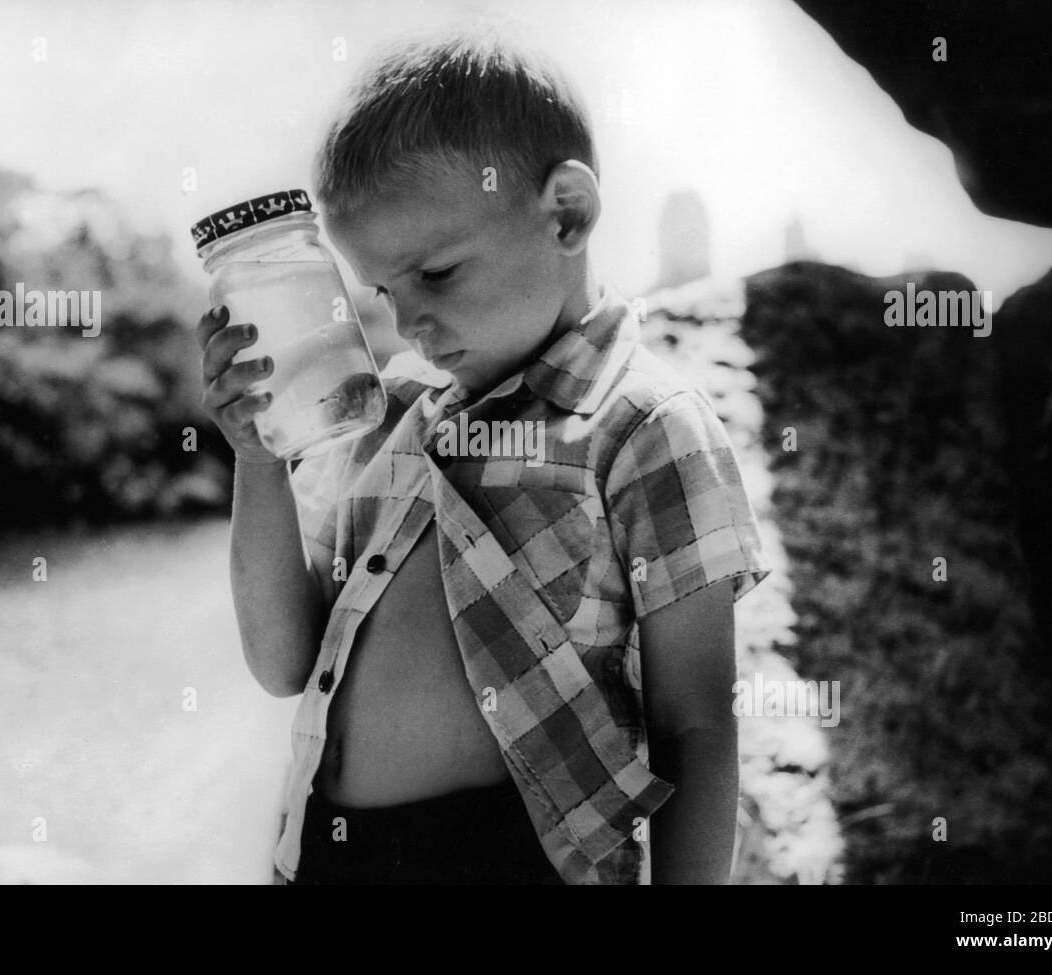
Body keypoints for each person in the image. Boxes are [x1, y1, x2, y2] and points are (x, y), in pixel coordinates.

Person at [195, 26, 771, 885]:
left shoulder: (643, 426)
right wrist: (258, 455)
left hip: (516, 858)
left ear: (566, 213)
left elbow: (696, 725)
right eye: (385, 290)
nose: (410, 321)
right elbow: (283, 661)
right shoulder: (387, 422)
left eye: (437, 273)